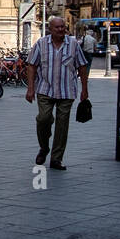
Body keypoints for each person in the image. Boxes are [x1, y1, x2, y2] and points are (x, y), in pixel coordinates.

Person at [25, 16, 90, 171]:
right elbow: (32, 66)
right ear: (50, 29)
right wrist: (30, 88)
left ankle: (56, 159)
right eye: (57, 27)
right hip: (45, 89)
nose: (61, 29)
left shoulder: (73, 44)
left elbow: (82, 67)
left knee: (62, 126)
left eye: (63, 27)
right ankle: (44, 147)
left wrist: (85, 90)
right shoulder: (41, 44)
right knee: (43, 119)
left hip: (67, 91)